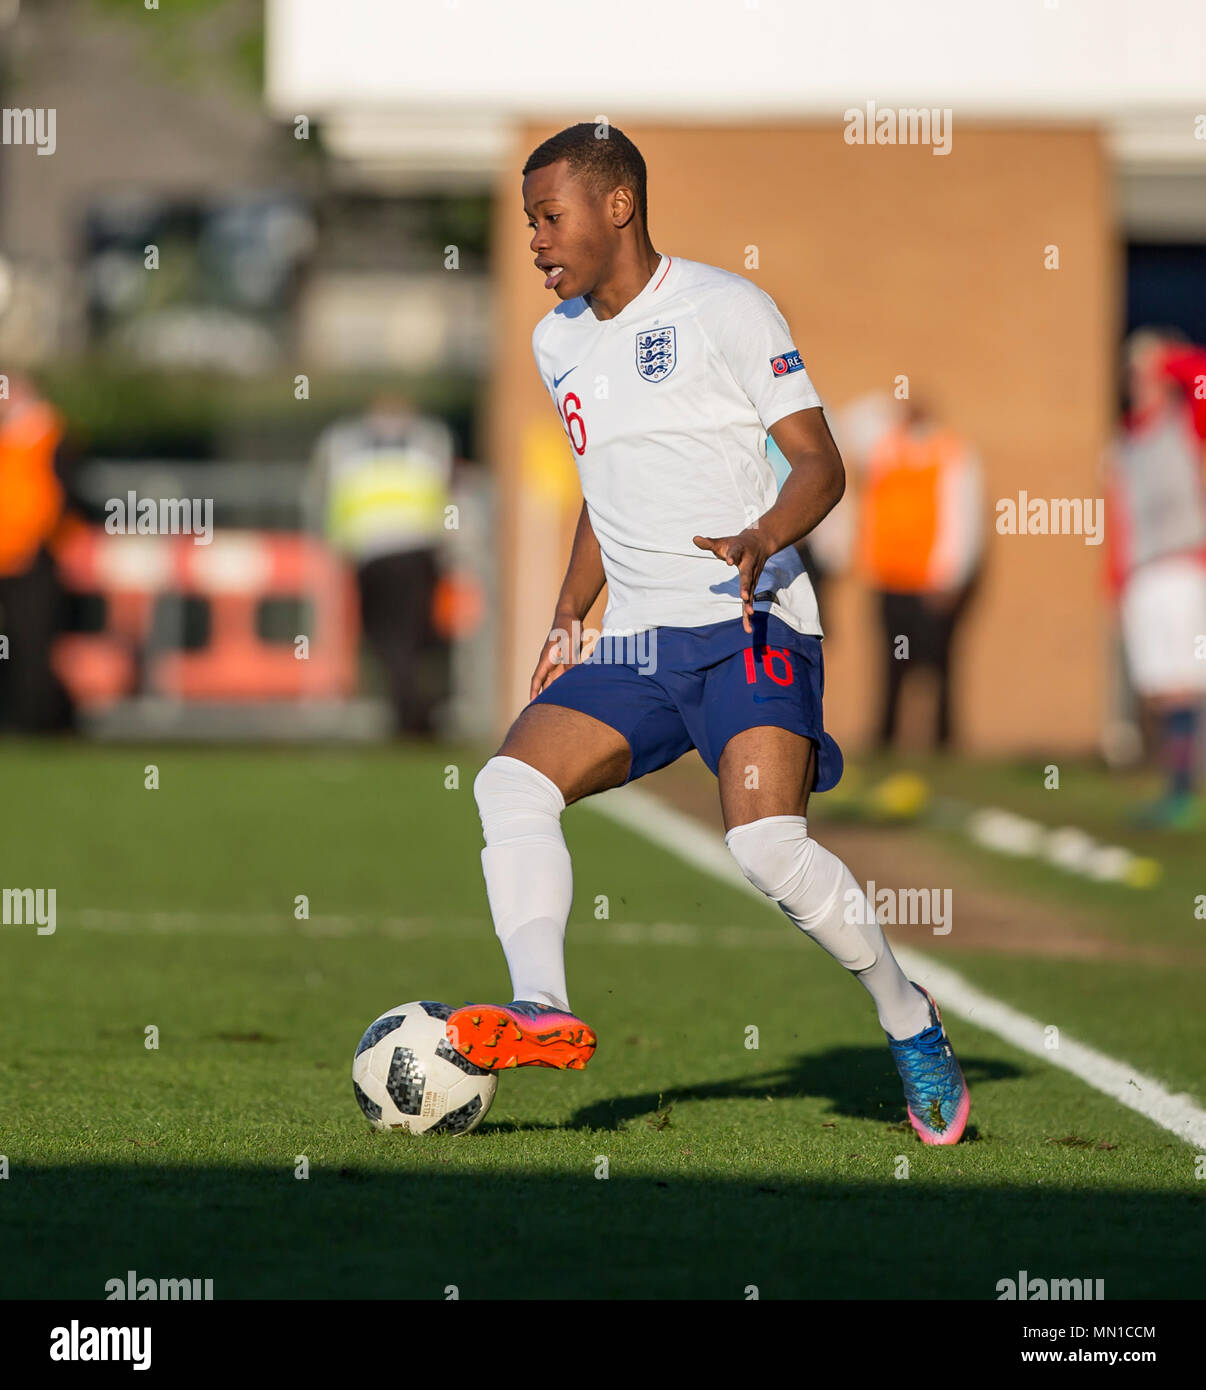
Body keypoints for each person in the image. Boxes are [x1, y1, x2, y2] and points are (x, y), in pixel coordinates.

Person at [444, 124, 969, 1145]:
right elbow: (608, 487)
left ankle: (910, 1019)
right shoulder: (558, 341)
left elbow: (821, 467)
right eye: (528, 223)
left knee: (768, 847)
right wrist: (569, 610)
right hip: (641, 642)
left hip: (751, 621)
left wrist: (761, 537)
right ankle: (543, 1006)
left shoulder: (729, 307)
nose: (538, 242)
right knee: (509, 782)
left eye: (550, 219)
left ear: (617, 207)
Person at [836, 390, 983, 750]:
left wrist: (950, 576)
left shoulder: (951, 453)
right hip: (889, 578)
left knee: (938, 663)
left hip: (931, 582)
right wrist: (890, 405)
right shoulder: (885, 449)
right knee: (890, 662)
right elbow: (845, 425)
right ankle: (885, 736)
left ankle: (943, 740)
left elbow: (963, 517)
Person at [308, 391, 454, 736]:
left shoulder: (343, 445)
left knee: (388, 638)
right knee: (412, 636)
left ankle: (408, 712)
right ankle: (414, 711)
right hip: (416, 550)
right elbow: (447, 493)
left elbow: (322, 496)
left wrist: (335, 546)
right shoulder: (428, 441)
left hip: (372, 552)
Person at [1106, 329, 1206, 829]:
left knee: (1186, 682)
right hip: (1143, 575)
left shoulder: (1186, 420)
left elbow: (1202, 374)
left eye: (1146, 374)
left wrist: (1169, 358)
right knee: (1161, 687)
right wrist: (1117, 581)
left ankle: (1185, 793)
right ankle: (1174, 788)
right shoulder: (1123, 442)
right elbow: (1120, 518)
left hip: (1183, 566)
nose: (1138, 381)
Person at [0, 374, 73, 732]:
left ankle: (39, 722)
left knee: (31, 644)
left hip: (32, 556)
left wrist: (36, 541)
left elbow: (51, 501)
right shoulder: (11, 439)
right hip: (9, 554)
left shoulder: (47, 437)